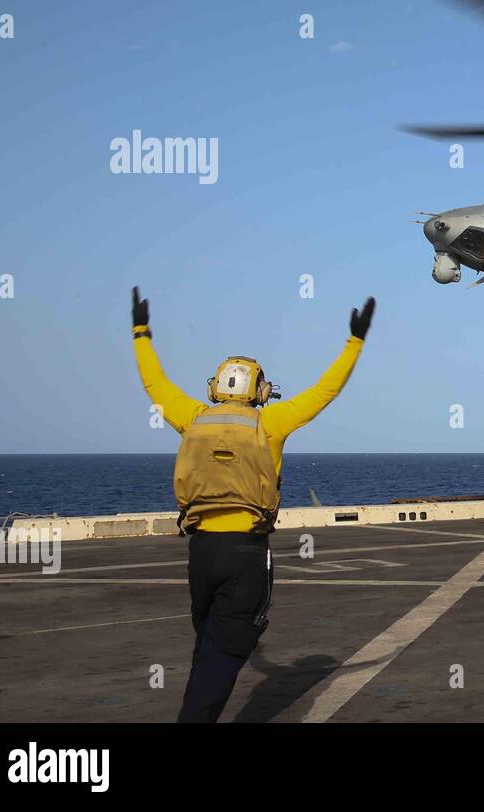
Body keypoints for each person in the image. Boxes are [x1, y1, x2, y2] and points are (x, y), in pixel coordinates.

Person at [130, 286, 375, 722]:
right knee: (228, 646)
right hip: (245, 552)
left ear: (215, 387)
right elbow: (325, 391)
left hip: (200, 551)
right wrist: (355, 341)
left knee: (209, 642)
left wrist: (141, 333)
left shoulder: (191, 417)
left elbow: (155, 382)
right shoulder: (272, 423)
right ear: (258, 388)